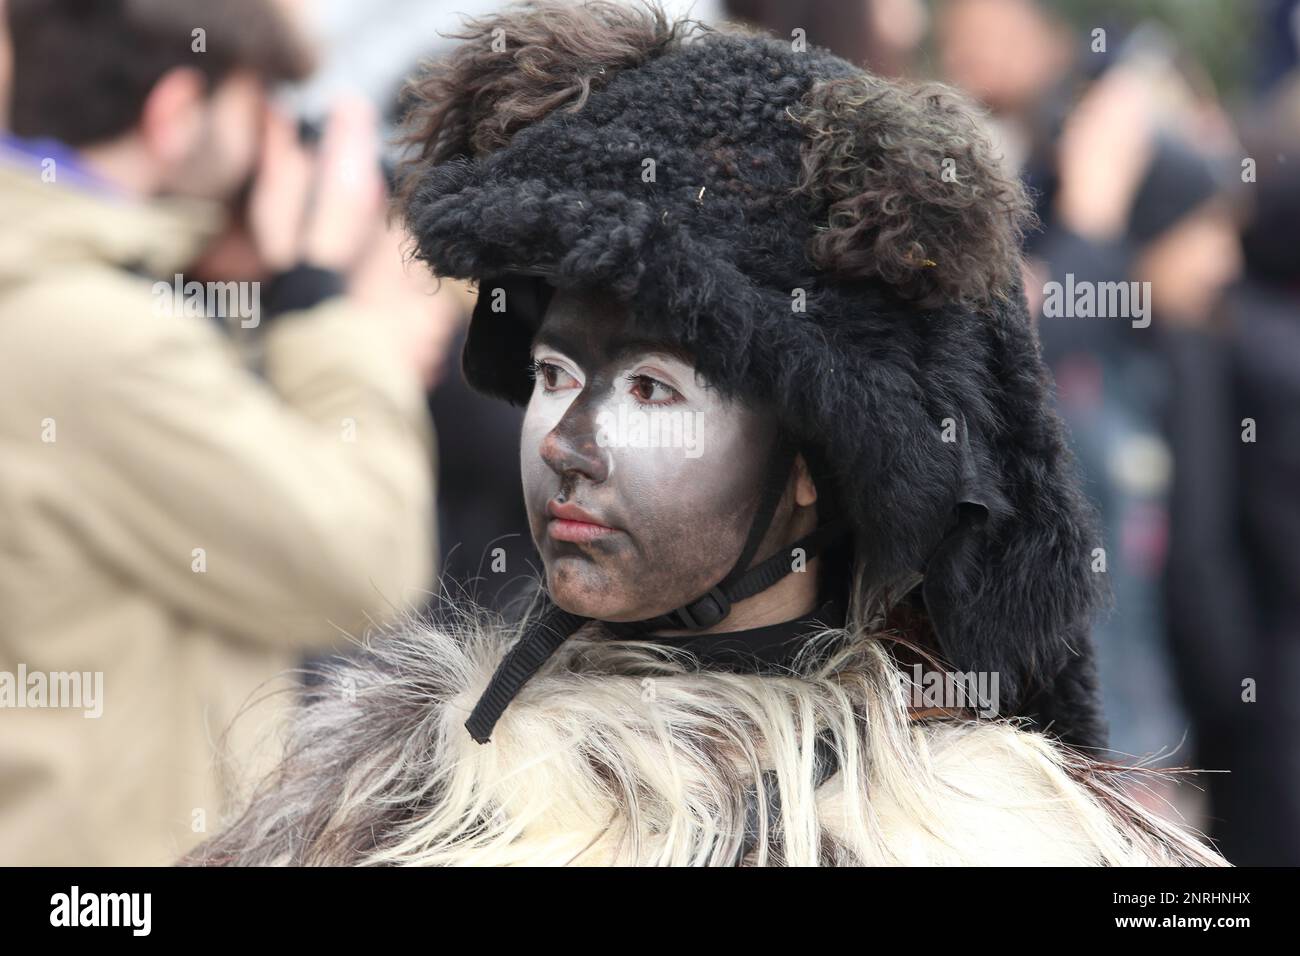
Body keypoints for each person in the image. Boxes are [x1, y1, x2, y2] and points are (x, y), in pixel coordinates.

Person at [184, 0, 1223, 866]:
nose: (564, 440)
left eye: (647, 390)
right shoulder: (389, 809)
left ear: (816, 459)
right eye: (551, 373)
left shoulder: (999, 835)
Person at [0, 0, 435, 864]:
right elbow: (368, 564)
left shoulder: (55, 291)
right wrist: (319, 302)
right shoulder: (97, 337)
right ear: (172, 115)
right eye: (255, 107)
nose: (275, 138)